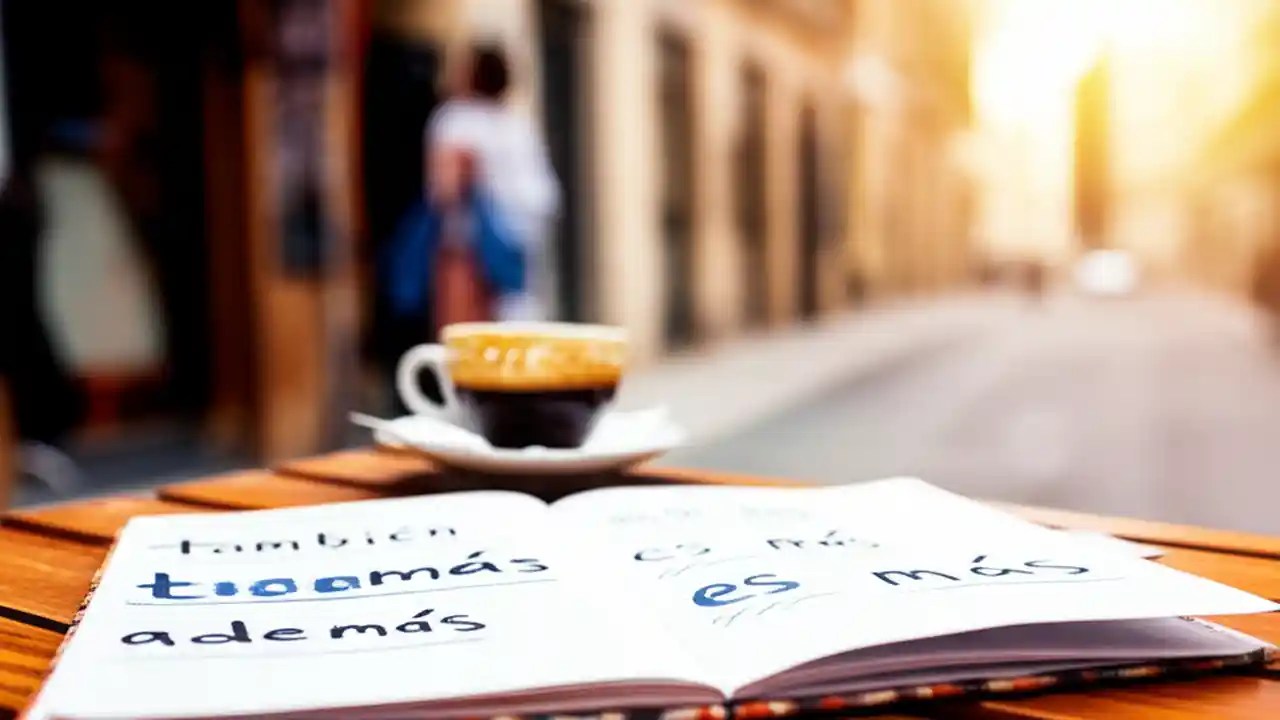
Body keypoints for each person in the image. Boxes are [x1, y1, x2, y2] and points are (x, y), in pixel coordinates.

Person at [424, 43, 560, 324]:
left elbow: (445, 189)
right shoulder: (518, 124)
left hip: (469, 243)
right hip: (520, 239)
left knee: (463, 336)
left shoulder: (456, 120)